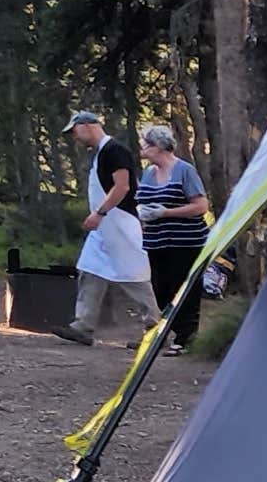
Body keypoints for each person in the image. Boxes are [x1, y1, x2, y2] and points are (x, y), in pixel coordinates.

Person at [64, 107, 150, 346]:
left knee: (133, 276)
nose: (75, 137)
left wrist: (100, 213)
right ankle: (83, 324)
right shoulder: (101, 153)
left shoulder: (115, 151)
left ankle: (155, 328)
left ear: (87, 126)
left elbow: (122, 186)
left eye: (75, 131)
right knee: (90, 270)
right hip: (105, 226)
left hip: (120, 221)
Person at [131, 121, 213, 332]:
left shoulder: (185, 171)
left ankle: (185, 336)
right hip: (156, 243)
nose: (142, 149)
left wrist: (165, 213)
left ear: (158, 146)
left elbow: (201, 206)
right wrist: (143, 213)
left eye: (145, 145)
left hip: (185, 243)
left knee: (183, 290)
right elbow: (143, 199)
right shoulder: (149, 173)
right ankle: (162, 335)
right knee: (159, 290)